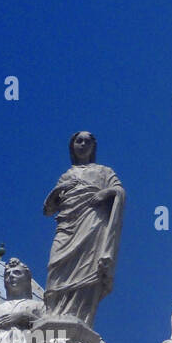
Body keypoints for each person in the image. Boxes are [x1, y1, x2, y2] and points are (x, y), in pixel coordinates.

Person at [43, 131, 124, 328]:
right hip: (67, 224)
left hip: (93, 221)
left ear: (93, 146)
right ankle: (54, 312)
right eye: (78, 141)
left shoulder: (104, 171)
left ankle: (79, 317)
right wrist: (56, 191)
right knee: (55, 266)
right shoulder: (66, 175)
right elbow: (49, 209)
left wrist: (107, 192)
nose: (82, 144)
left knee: (88, 267)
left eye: (87, 141)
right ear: (72, 146)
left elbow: (120, 191)